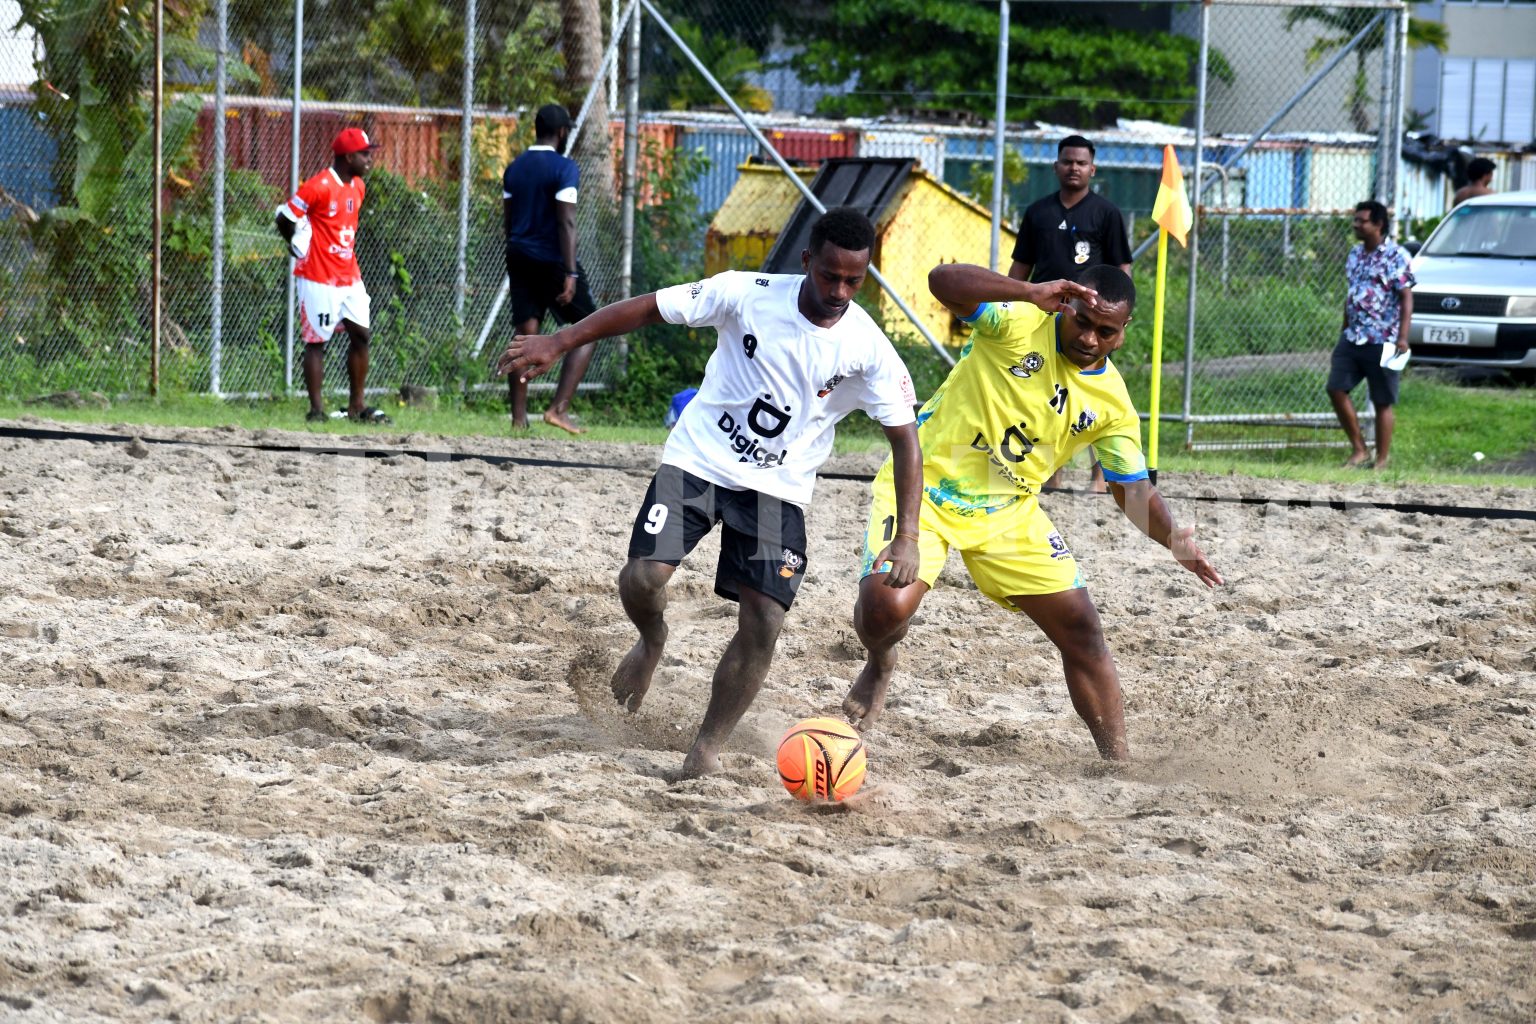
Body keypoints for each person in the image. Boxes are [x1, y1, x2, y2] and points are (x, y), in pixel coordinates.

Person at [498, 208, 924, 778]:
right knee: (643, 580)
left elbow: (906, 442)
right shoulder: (744, 293)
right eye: (830, 276)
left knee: (766, 620)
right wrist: (560, 338)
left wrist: (909, 537)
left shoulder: (869, 349)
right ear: (807, 261)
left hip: (777, 491)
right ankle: (651, 642)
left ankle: (704, 750)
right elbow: (649, 307)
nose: (840, 291)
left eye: (854, 280)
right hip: (698, 462)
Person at [845, 262, 1223, 761]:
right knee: (882, 612)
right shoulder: (1018, 321)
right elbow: (941, 281)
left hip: (1008, 511)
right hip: (925, 488)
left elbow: (1131, 490)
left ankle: (1117, 762)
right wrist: (1028, 290)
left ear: (1123, 333)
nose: (1089, 337)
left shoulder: (1112, 404)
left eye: (1105, 330)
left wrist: (1177, 542)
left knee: (1083, 630)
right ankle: (881, 659)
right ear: (1066, 304)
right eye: (1082, 321)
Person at [1008, 135, 1132, 493]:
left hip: (1088, 320)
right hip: (1044, 318)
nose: (1073, 168)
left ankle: (1099, 477)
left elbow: (1122, 269)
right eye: (1067, 161)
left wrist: (1116, 324)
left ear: (1092, 169)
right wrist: (1008, 302)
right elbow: (1021, 268)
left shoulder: (1105, 213)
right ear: (1056, 166)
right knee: (1040, 394)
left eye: (1081, 163)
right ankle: (1050, 473)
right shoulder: (1038, 213)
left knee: (1090, 397)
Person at [275, 127, 389, 424]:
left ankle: (356, 406)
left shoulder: (359, 187)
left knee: (361, 335)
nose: (369, 159)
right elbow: (285, 216)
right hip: (318, 275)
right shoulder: (320, 185)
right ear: (348, 156)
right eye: (365, 153)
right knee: (317, 342)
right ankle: (316, 410)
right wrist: (295, 243)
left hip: (349, 275)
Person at [502, 103, 599, 434]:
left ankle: (518, 420)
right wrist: (570, 272)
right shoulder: (564, 167)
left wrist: (514, 253)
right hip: (552, 259)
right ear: (562, 132)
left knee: (524, 335)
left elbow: (508, 218)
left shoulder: (514, 167)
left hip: (518, 253)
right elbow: (566, 220)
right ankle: (558, 409)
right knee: (588, 327)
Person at [1327, 200, 1414, 471]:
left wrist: (1402, 337)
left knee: (1382, 401)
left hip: (1384, 339)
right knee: (1336, 388)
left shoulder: (1396, 256)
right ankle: (1359, 450)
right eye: (1355, 219)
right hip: (1353, 337)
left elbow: (1406, 297)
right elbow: (1351, 293)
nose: (1356, 224)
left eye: (1362, 220)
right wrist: (1343, 328)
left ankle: (1382, 461)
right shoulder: (1354, 254)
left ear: (1378, 225)